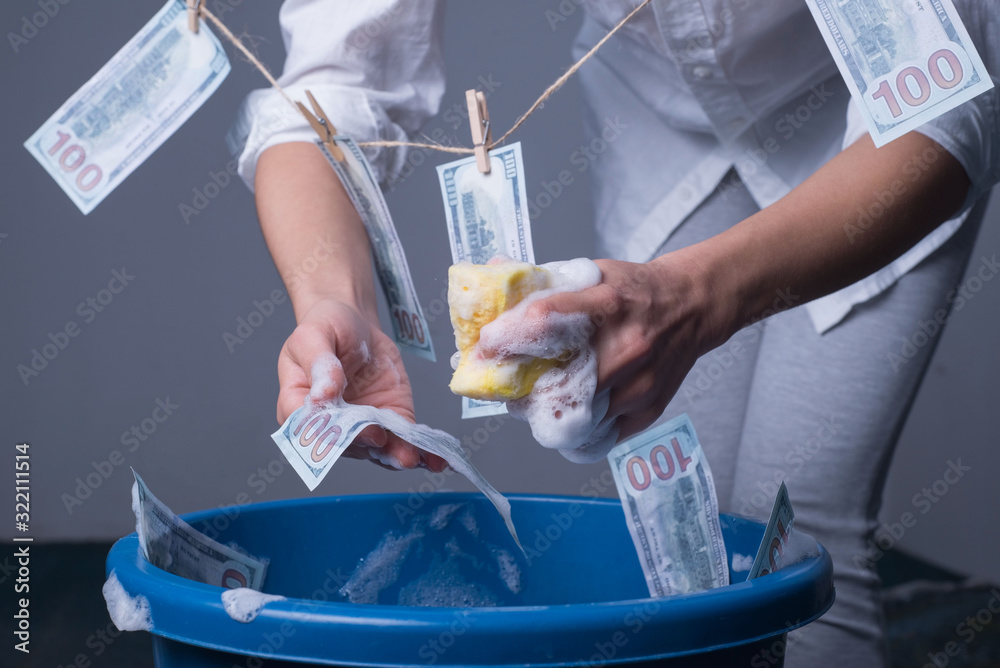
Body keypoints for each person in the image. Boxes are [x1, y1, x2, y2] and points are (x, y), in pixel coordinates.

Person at [228, 1, 999, 664]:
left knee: (798, 514)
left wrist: (695, 296)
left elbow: (939, 103)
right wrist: (336, 299)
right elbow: (332, 88)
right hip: (660, 104)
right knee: (696, 527)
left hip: (879, 115)